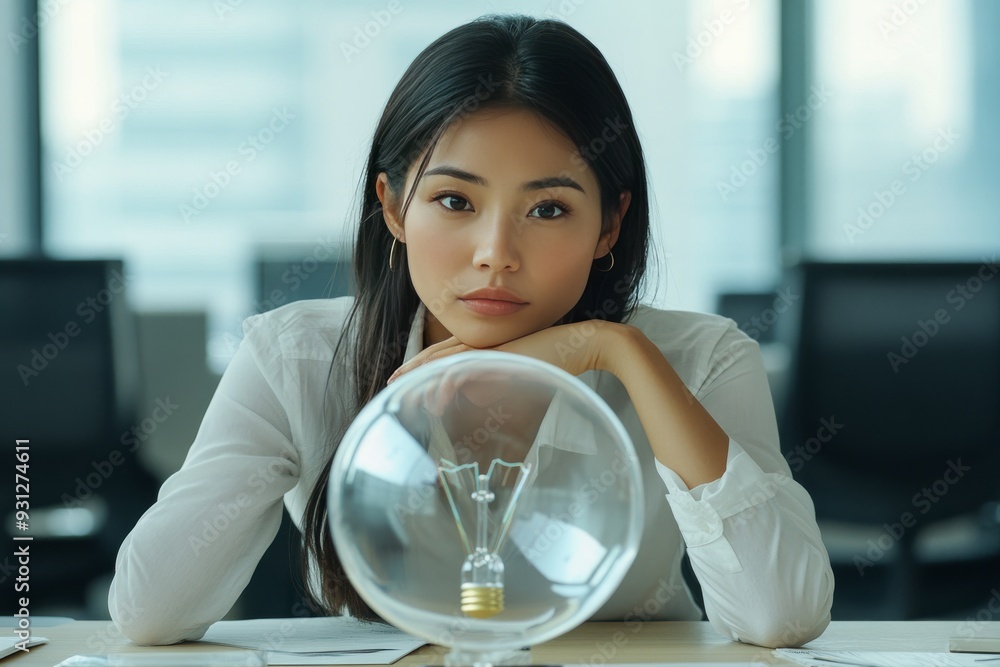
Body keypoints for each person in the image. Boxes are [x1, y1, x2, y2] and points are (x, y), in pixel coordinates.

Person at [109, 13, 834, 649]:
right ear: (392, 208)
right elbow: (148, 611)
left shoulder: (699, 361)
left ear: (609, 223)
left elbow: (782, 614)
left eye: (547, 209)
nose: (496, 252)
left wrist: (616, 350)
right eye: (455, 200)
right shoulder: (293, 358)